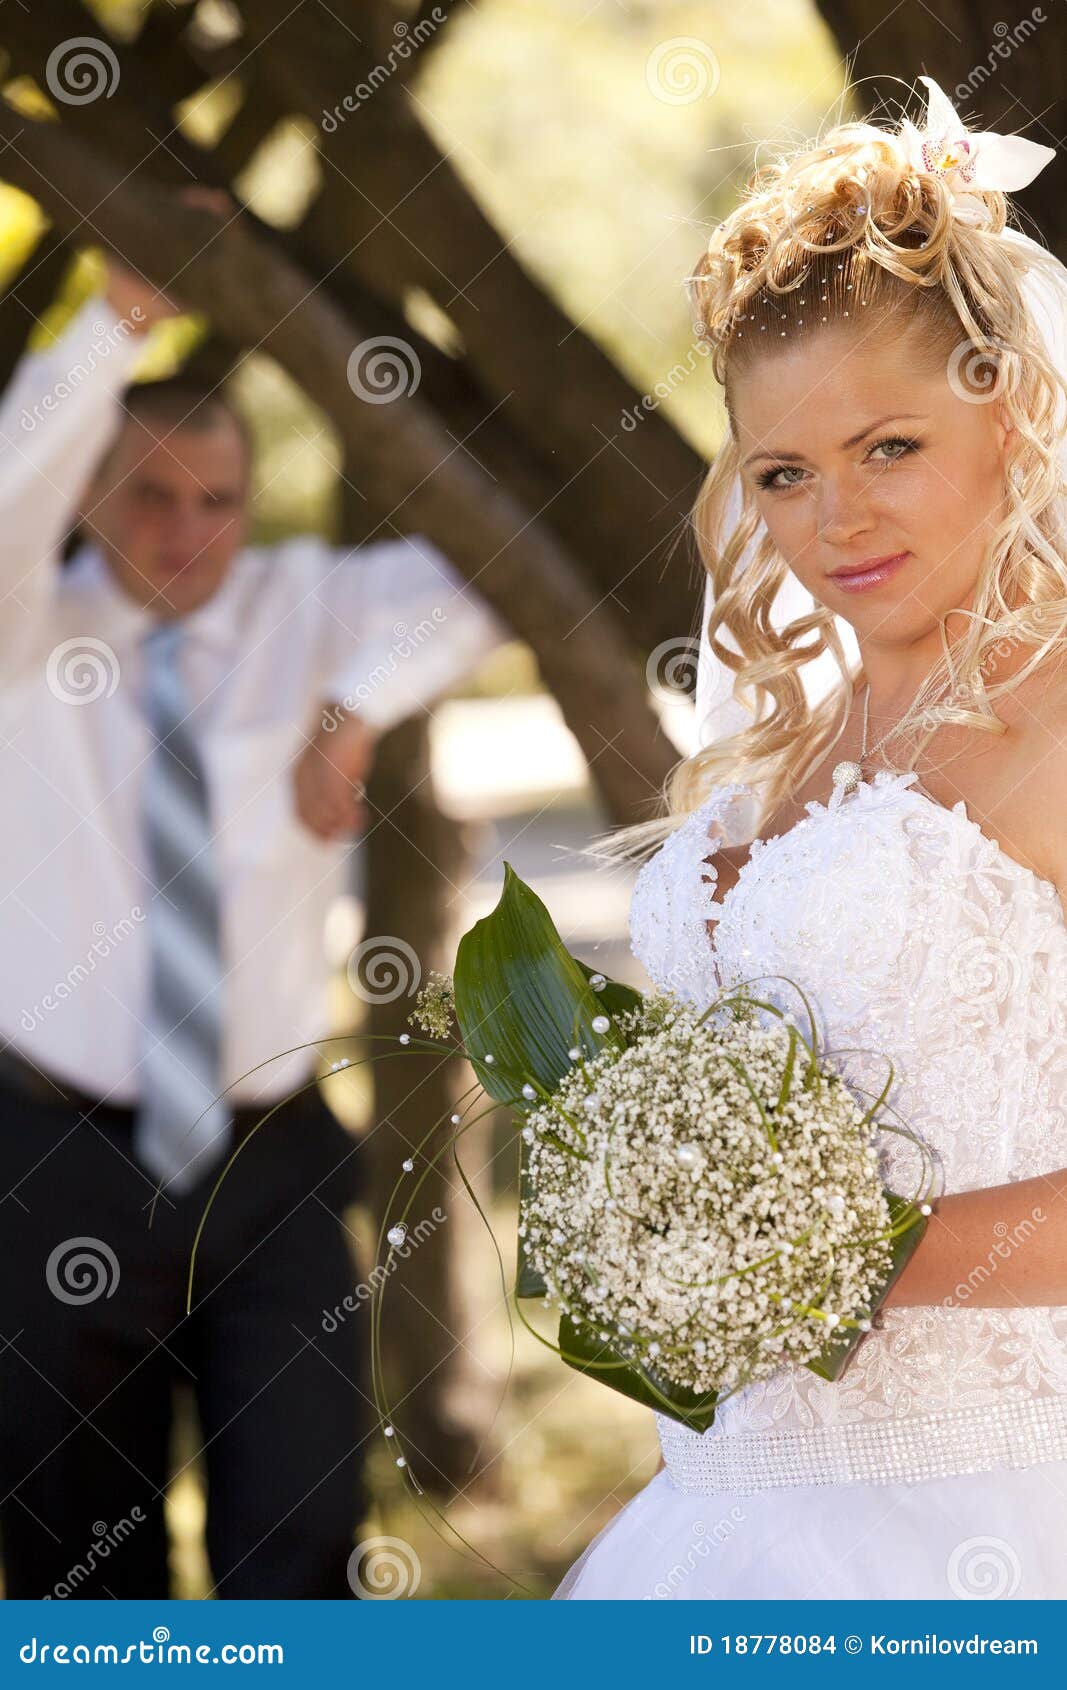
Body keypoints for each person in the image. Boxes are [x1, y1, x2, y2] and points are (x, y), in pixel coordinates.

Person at [554, 75, 1067, 1600]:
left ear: (1014, 405)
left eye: (889, 446)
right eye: (783, 471)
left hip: (980, 1535)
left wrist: (839, 1256)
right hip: (712, 1529)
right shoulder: (767, 749)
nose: (835, 517)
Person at [0, 261, 510, 1598]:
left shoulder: (311, 605)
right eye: (150, 495)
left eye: (217, 500)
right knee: (76, 1569)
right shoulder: (24, 628)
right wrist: (109, 329)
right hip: (55, 1158)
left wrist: (355, 706)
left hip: (272, 1168)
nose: (186, 530)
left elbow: (502, 555)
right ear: (90, 496)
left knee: (299, 1548)